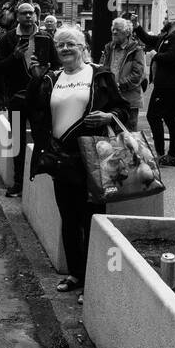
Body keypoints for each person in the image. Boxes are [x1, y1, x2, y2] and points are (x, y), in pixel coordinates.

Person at [29, 25, 131, 296]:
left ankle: (97, 281)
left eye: (70, 44)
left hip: (94, 159)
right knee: (69, 220)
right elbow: (35, 111)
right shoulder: (53, 77)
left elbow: (122, 109)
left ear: (83, 46)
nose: (64, 48)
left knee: (93, 220)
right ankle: (76, 274)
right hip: (62, 160)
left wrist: (109, 117)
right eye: (60, 44)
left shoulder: (99, 75)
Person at [0, 2, 55, 197]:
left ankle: (37, 182)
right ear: (18, 17)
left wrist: (45, 70)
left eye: (31, 13)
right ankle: (19, 182)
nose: (29, 16)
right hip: (17, 97)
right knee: (17, 142)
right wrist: (14, 56)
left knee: (41, 139)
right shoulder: (8, 39)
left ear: (36, 16)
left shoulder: (46, 37)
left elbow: (57, 65)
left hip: (40, 97)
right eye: (24, 13)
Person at [139, 20, 175, 165]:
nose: (164, 20)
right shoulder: (167, 35)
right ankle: (172, 155)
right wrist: (137, 27)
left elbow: (171, 57)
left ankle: (162, 154)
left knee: (154, 116)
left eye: (166, 17)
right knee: (171, 117)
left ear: (173, 21)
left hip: (169, 84)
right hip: (167, 83)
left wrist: (155, 55)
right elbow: (150, 39)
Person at [103, 17, 147, 131]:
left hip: (129, 100)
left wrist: (118, 85)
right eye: (113, 29)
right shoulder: (108, 48)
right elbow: (102, 69)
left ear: (127, 33)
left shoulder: (136, 49)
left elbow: (138, 74)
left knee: (129, 136)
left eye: (118, 29)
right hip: (111, 99)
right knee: (112, 134)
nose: (114, 32)